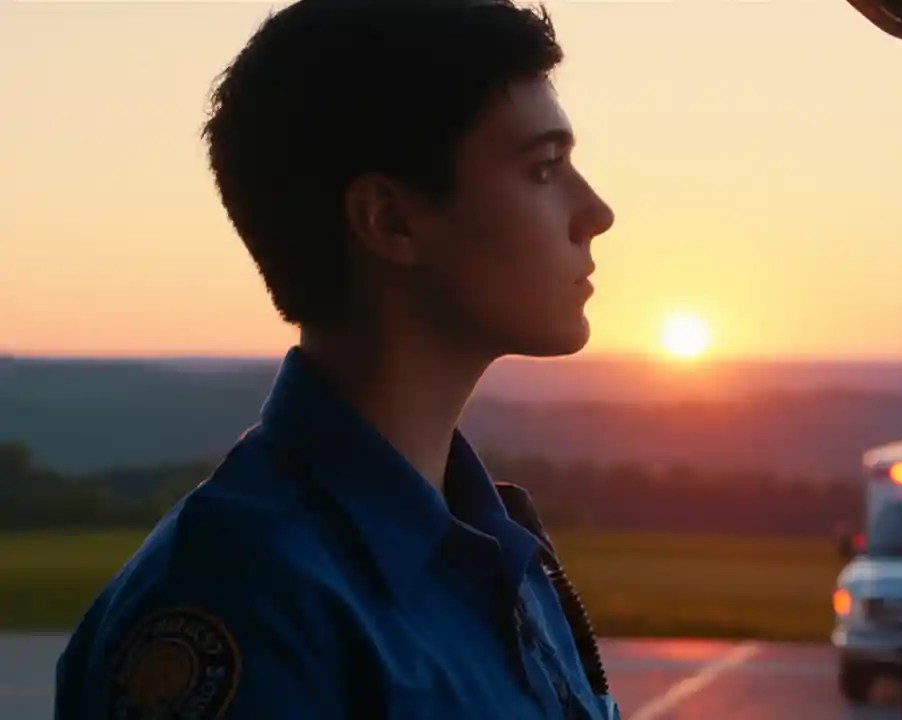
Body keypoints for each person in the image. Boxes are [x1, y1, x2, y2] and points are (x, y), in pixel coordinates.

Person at [53, 0, 617, 717]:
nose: (595, 211)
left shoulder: (498, 555)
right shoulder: (251, 606)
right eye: (543, 169)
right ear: (389, 220)